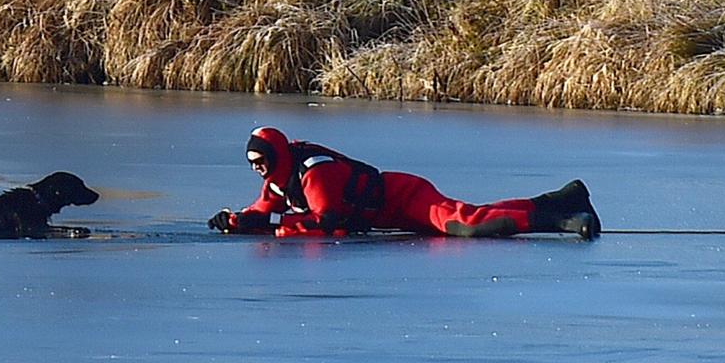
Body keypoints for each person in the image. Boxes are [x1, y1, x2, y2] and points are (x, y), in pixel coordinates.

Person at [208, 127, 601, 240]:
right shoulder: (280, 180)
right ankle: (563, 198)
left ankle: (567, 223)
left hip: (405, 196)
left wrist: (280, 228)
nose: (258, 169)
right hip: (390, 214)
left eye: (261, 161)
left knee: (467, 226)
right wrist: (237, 220)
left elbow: (327, 220)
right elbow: (263, 209)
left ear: (277, 156)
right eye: (252, 164)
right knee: (475, 213)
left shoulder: (313, 171)